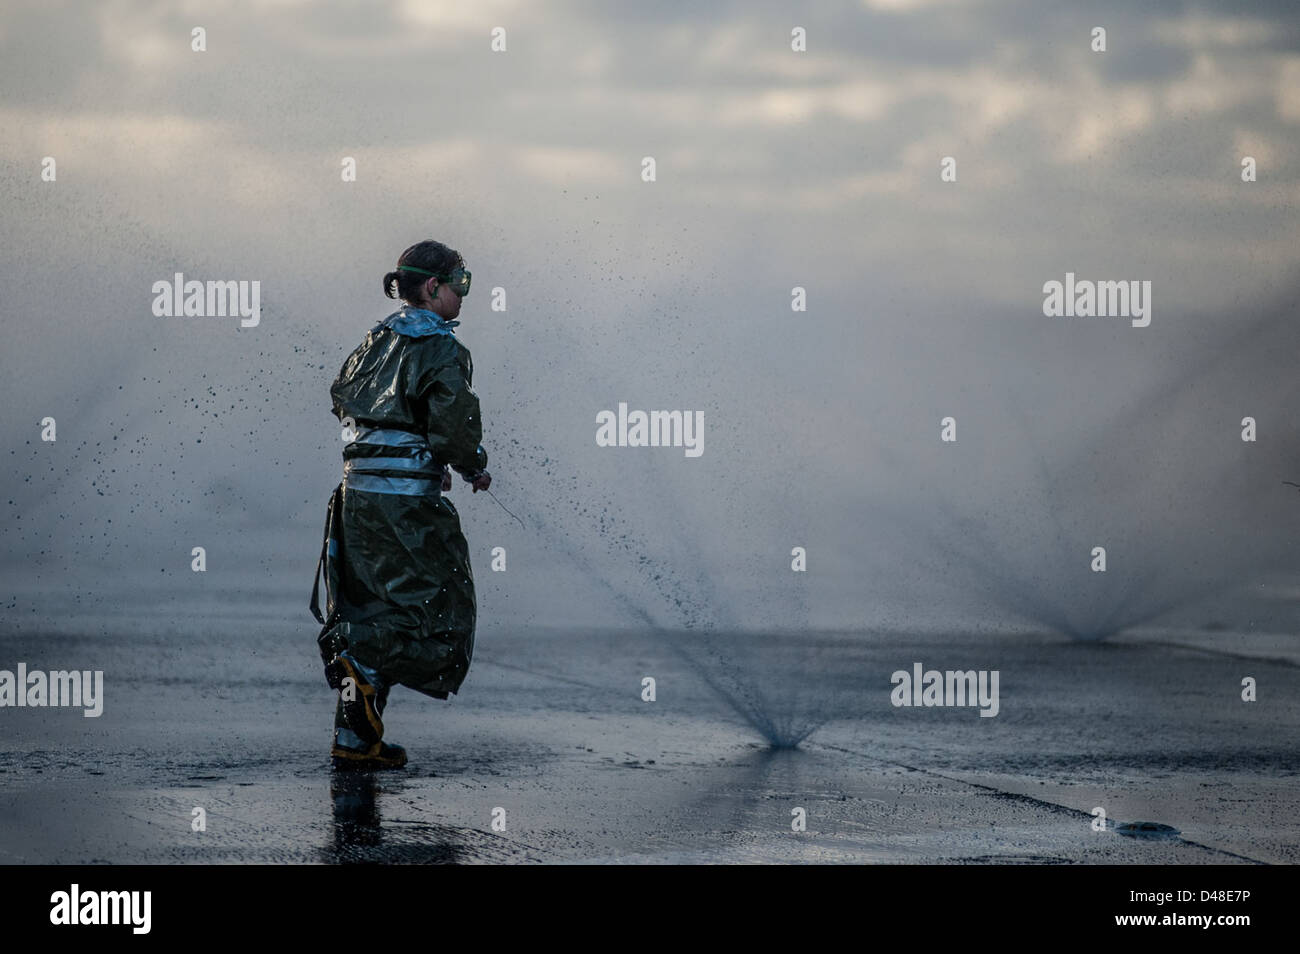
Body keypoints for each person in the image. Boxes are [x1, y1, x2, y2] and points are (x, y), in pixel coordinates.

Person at [310, 239, 491, 770]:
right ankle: (356, 665)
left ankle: (355, 738)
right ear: (433, 288)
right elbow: (454, 428)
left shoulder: (376, 338)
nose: (463, 294)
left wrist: (397, 454)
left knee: (367, 606)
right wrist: (471, 466)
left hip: (354, 502)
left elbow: (343, 395)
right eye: (460, 283)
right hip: (406, 511)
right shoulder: (441, 348)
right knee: (436, 610)